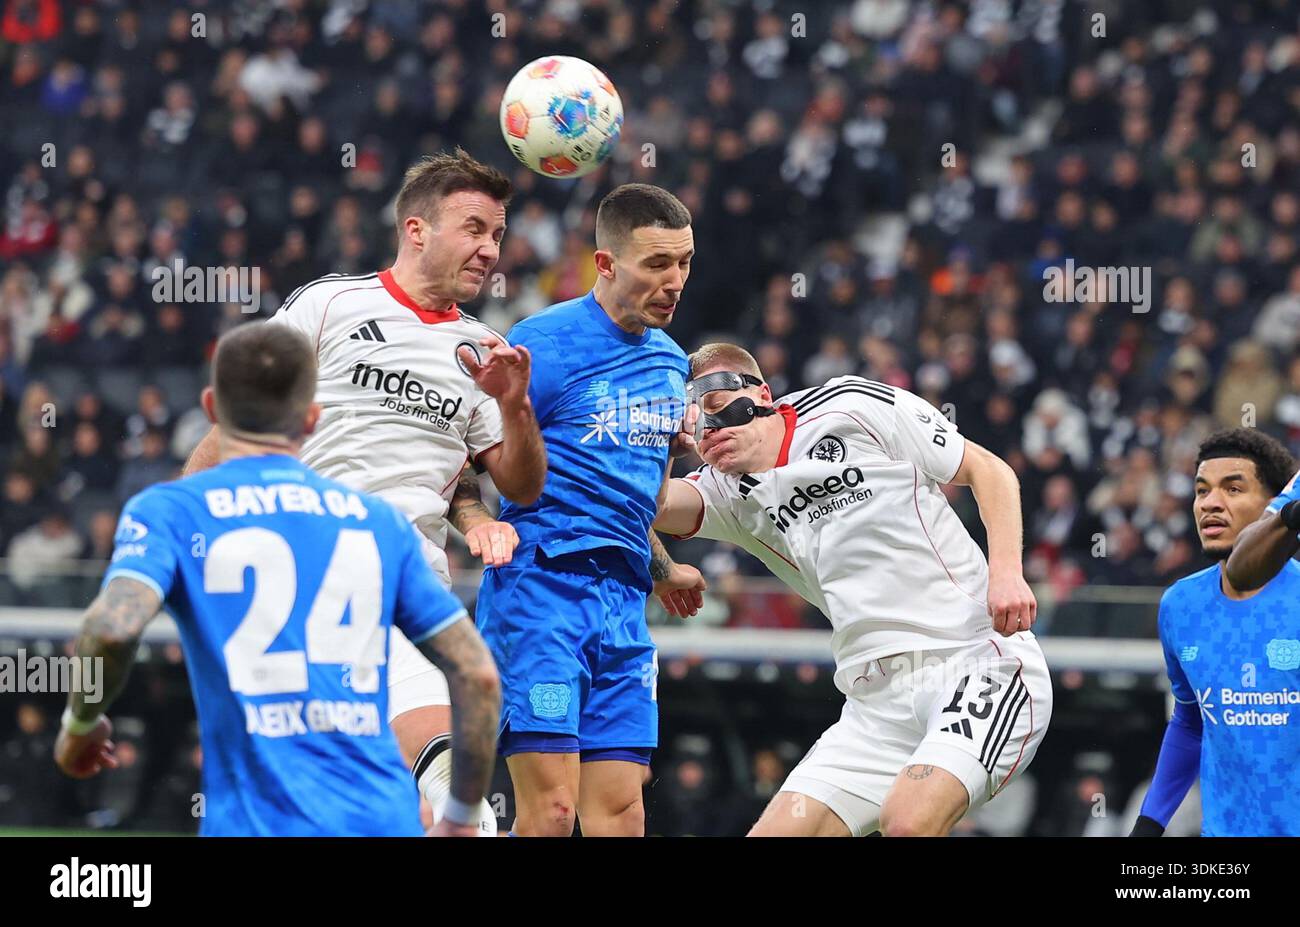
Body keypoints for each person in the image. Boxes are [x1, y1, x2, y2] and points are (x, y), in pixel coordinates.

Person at [183, 149, 544, 828]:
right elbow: (245, 418)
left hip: (406, 590)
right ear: (416, 229)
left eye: (497, 235)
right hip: (298, 587)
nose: (490, 249)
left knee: (455, 794)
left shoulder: (483, 352)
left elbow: (520, 483)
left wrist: (517, 406)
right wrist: (182, 523)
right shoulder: (332, 303)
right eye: (473, 228)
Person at [54, 324, 501, 836]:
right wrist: (461, 814)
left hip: (256, 822)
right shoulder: (377, 523)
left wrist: (80, 727)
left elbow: (110, 629)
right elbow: (477, 674)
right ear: (313, 417)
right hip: (380, 820)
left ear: (212, 410)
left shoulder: (170, 511)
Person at [653, 343, 1051, 837]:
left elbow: (988, 470)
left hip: (975, 660)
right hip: (874, 704)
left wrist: (1007, 572)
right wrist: (654, 450)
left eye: (714, 412)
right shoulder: (723, 490)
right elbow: (637, 505)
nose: (709, 435)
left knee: (906, 823)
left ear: (761, 393)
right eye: (696, 427)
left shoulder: (849, 406)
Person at [471, 184, 705, 836]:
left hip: (625, 606)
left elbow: (635, 495)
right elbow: (479, 452)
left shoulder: (669, 362)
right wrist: (474, 520)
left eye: (684, 262)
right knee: (550, 813)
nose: (674, 281)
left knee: (624, 816)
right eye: (657, 263)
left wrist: (665, 569)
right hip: (543, 591)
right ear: (605, 264)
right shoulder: (543, 341)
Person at [1131, 429, 1299, 836]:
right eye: (1202, 490)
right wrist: (1150, 824)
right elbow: (1190, 721)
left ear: (1272, 509)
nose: (1210, 503)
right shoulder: (1180, 605)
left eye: (1234, 489)